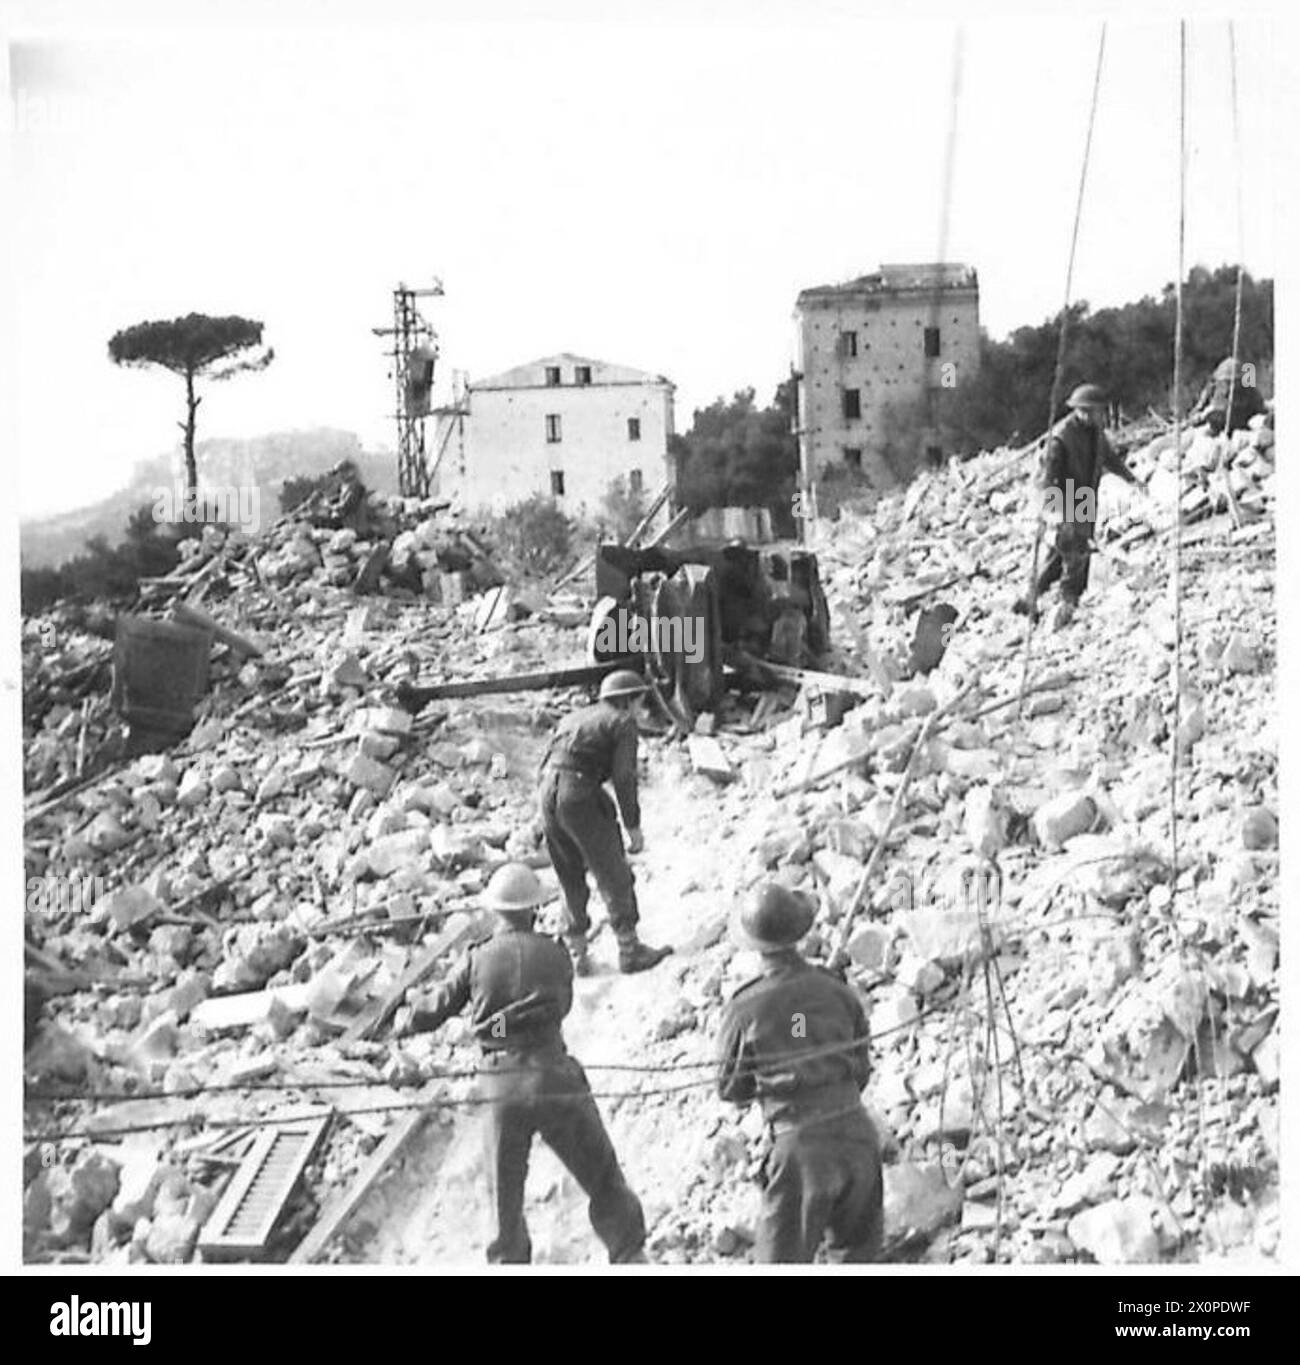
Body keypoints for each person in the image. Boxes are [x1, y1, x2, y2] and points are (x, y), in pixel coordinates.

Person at [397, 861, 649, 1264]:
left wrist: (407, 1016)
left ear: (495, 911)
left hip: (500, 1085)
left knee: (504, 1199)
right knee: (601, 1174)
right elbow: (562, 1006)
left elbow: (436, 1009)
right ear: (534, 908)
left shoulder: (476, 959)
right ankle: (629, 1252)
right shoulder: (554, 953)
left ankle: (509, 1261)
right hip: (553, 1073)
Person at [715, 882, 883, 1263]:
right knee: (858, 1257)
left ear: (754, 945)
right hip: (857, 1136)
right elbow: (857, 1066)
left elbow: (730, 1086)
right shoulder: (836, 991)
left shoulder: (745, 1007)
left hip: (798, 1151)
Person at [538, 669, 671, 975]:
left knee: (569, 874)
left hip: (547, 791)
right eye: (640, 701)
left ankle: (577, 955)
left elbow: (546, 762)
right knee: (613, 872)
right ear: (627, 700)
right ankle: (630, 950)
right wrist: (633, 826)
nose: (642, 709)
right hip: (579, 793)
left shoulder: (573, 718)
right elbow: (625, 777)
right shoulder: (622, 722)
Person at [1014, 382, 1140, 629]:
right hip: (1063, 497)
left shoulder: (1094, 431)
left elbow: (1109, 458)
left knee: (1061, 552)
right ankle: (1067, 603)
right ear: (1082, 410)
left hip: (1082, 493)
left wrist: (1132, 479)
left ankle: (1029, 597)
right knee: (1076, 550)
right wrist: (1056, 514)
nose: (1100, 415)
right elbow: (1047, 479)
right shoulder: (1060, 437)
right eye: (1096, 411)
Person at [1190, 357, 1266, 436]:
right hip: (1215, 425)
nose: (1230, 386)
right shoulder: (1212, 389)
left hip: (1241, 429)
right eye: (1226, 381)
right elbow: (1198, 410)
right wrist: (1199, 417)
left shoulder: (1250, 392)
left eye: (1234, 381)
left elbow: (1260, 409)